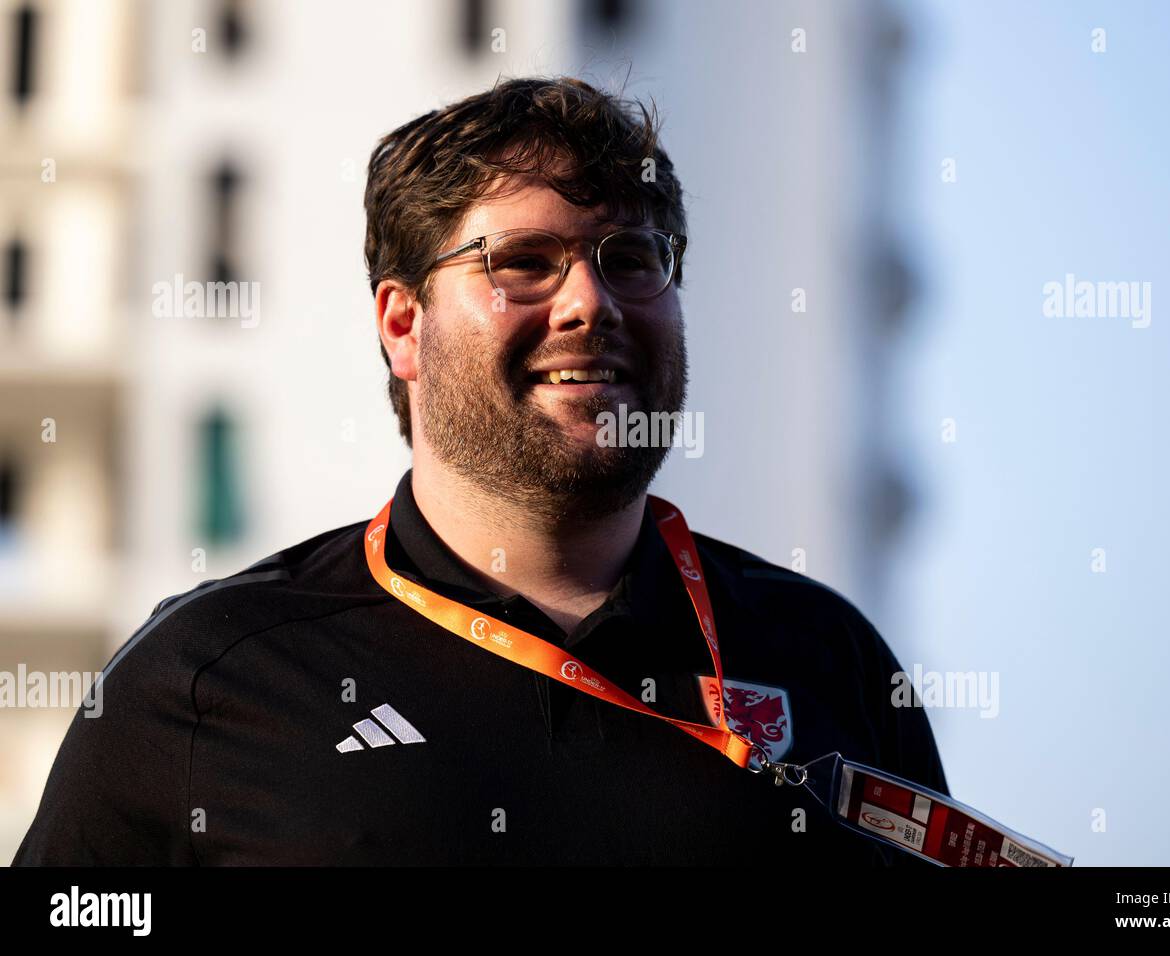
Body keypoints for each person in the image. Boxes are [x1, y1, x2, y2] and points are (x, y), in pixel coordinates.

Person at [13, 76, 946, 866]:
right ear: (402, 325)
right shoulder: (208, 678)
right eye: (525, 264)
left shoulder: (829, 659)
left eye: (632, 260)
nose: (590, 303)